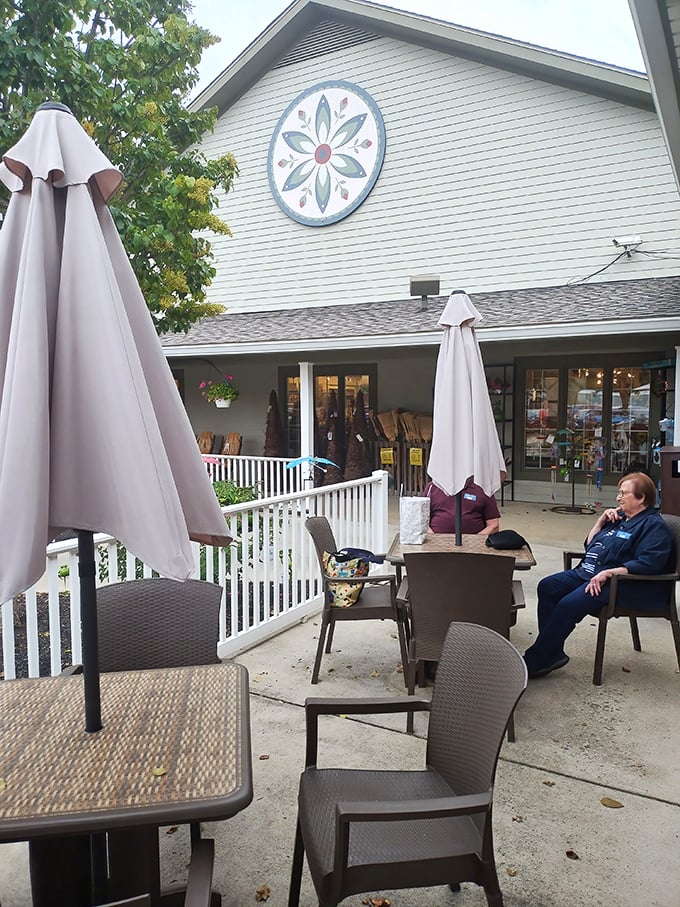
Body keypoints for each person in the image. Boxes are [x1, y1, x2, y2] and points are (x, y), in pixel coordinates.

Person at [523, 472, 674, 678]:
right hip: (587, 573)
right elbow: (590, 545)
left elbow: (651, 562)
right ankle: (552, 652)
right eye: (619, 493)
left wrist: (610, 572)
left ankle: (537, 658)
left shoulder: (653, 526)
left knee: (568, 604)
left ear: (641, 498)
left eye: (624, 493)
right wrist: (601, 520)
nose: (618, 498)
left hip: (619, 584)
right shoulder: (619, 519)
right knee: (547, 586)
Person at [423, 478, 500, 535]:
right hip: (436, 545)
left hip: (474, 546)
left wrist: (475, 540)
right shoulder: (432, 487)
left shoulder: (484, 488)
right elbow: (421, 520)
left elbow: (493, 525)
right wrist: (433, 538)